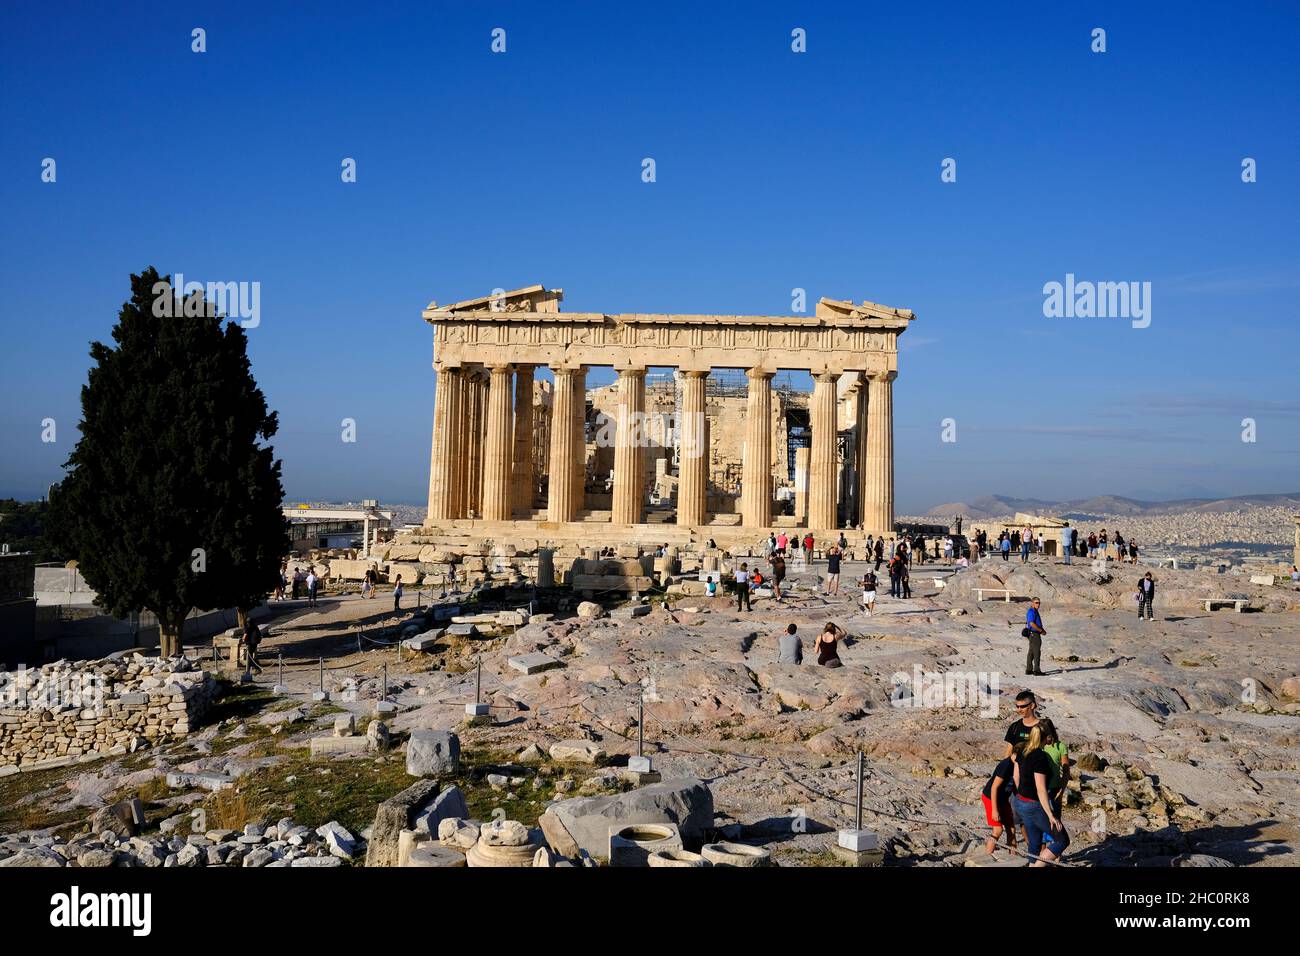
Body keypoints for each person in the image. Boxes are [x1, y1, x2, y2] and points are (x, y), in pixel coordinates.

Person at [1012, 723, 1069, 866]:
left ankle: (1032, 864)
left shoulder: (1023, 750)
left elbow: (1016, 777)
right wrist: (1050, 815)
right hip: (1034, 805)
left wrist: (1023, 794)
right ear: (1046, 738)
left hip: (1020, 802)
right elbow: (1041, 789)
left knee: (1035, 843)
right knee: (1062, 840)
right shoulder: (1040, 757)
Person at [981, 754, 1018, 858]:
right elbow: (994, 788)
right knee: (998, 830)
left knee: (1011, 830)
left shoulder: (1018, 764)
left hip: (1004, 798)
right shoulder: (1005, 766)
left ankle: (1012, 859)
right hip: (991, 797)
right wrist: (995, 810)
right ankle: (987, 858)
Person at [1039, 718, 1070, 816]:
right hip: (1038, 787)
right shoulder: (1037, 746)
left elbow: (1066, 771)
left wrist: (1061, 792)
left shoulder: (1060, 746)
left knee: (1054, 821)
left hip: (1053, 788)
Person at [1024, 597, 1046, 676]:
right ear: (1032, 603)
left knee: (1031, 652)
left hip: (1034, 633)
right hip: (1034, 634)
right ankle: (1036, 670)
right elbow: (1031, 623)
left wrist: (1042, 630)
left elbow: (1036, 622)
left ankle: (1029, 669)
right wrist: (1040, 630)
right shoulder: (1031, 612)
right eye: (1036, 603)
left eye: (1039, 603)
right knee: (1036, 652)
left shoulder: (1035, 611)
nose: (1038, 604)